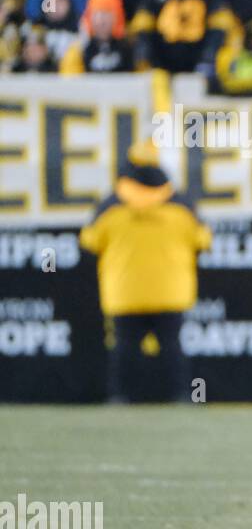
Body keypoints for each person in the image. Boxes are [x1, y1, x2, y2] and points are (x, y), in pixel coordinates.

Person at [79, 142, 212, 403]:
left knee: (124, 348)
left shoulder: (109, 205)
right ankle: (181, 397)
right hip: (171, 290)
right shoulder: (182, 204)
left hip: (124, 290)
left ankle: (120, 397)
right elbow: (204, 240)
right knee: (172, 347)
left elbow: (89, 241)